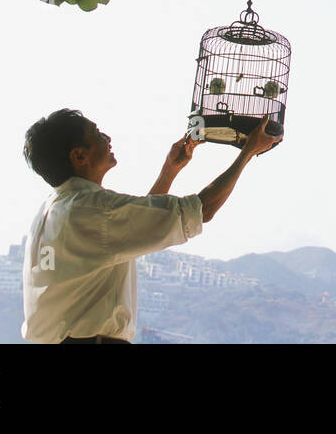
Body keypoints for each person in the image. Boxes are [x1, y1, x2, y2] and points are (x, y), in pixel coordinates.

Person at [20, 109, 281, 344]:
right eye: (97, 134)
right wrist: (248, 153)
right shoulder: (91, 210)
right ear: (79, 155)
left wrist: (169, 172)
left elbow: (134, 230)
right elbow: (202, 210)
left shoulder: (53, 210)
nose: (107, 138)